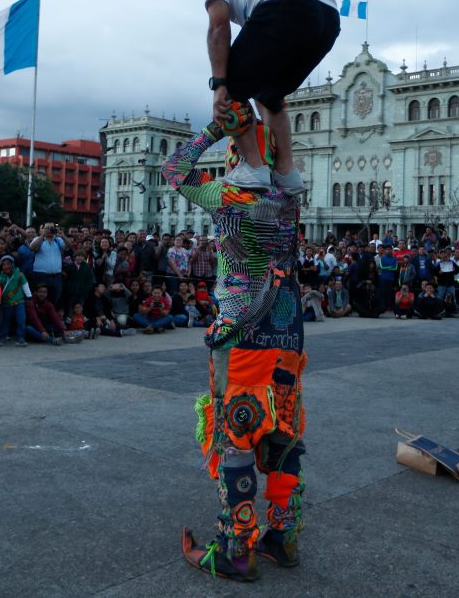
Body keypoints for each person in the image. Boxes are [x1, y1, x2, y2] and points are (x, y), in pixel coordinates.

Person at [165, 119, 306, 582]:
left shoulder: (231, 195)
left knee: (236, 437)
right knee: (283, 433)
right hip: (287, 334)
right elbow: (281, 148)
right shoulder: (287, 198)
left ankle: (237, 547)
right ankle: (282, 539)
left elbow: (175, 169)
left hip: (241, 335)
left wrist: (213, 128)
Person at [200, 0, 339, 193]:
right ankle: (287, 173)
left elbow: (218, 28)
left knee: (230, 93)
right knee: (269, 95)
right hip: (328, 18)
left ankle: (254, 167)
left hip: (285, 5)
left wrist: (220, 84)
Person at [0, 255, 31, 346]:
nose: (6, 266)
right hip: (7, 303)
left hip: (19, 302)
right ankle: (2, 338)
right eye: (3, 265)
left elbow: (25, 285)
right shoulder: (2, 277)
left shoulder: (20, 274)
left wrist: (29, 296)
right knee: (5, 321)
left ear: (12, 265)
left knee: (21, 320)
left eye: (8, 264)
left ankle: (20, 338)